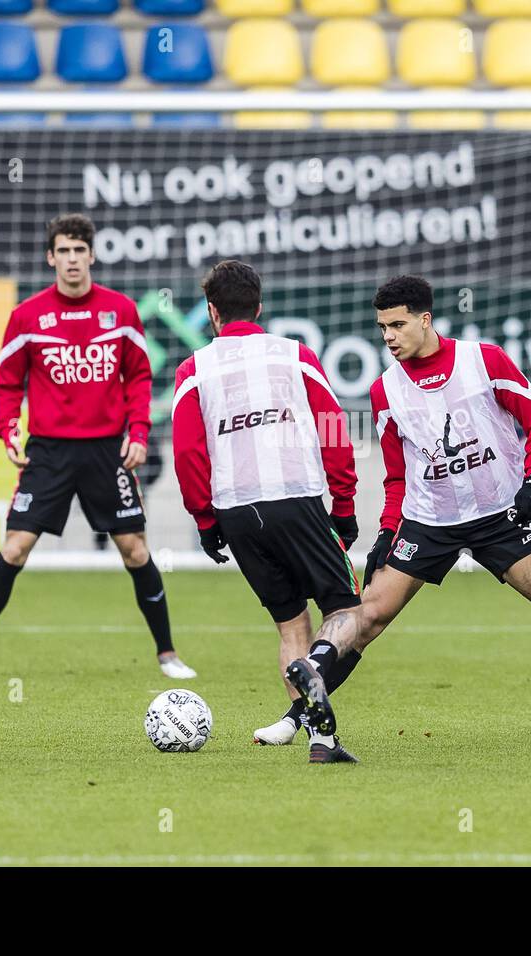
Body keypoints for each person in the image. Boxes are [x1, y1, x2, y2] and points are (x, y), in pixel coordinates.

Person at [294, 275, 531, 752]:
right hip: (429, 520)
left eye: (397, 324)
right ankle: (297, 715)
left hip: (499, 514)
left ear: (425, 319)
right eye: (381, 328)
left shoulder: (485, 361)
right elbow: (397, 477)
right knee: (368, 616)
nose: (388, 336)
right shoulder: (384, 392)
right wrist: (385, 534)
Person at [0, 214, 194, 681]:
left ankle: (168, 654)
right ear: (50, 257)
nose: (73, 259)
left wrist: (138, 433)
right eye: (64, 250)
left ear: (91, 255)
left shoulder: (120, 311)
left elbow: (138, 377)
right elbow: (6, 385)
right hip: (49, 453)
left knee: (135, 550)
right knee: (15, 547)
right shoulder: (28, 316)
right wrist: (8, 429)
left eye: (80, 250)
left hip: (105, 451)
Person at [171, 260, 362, 763]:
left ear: (212, 312)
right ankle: (317, 700)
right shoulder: (294, 355)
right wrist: (344, 503)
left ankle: (322, 739)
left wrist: (205, 520)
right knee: (346, 611)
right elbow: (333, 426)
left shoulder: (194, 368)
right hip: (295, 497)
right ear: (259, 306)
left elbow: (188, 452)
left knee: (290, 624)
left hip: (236, 511)